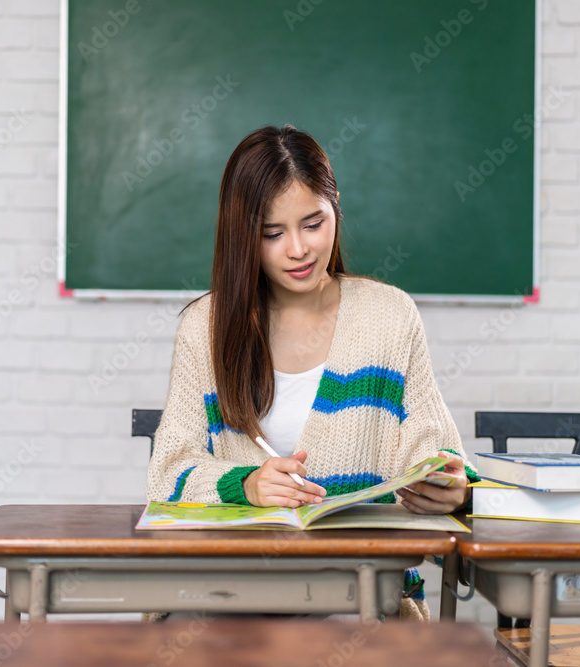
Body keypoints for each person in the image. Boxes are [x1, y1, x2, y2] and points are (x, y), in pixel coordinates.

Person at [145, 124, 479, 622]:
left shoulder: (390, 315)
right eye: (272, 234)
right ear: (242, 236)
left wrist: (453, 488)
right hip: (231, 592)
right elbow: (169, 474)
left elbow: (435, 451)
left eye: (313, 223)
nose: (298, 249)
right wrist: (247, 485)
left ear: (335, 208)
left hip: (357, 591)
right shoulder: (206, 327)